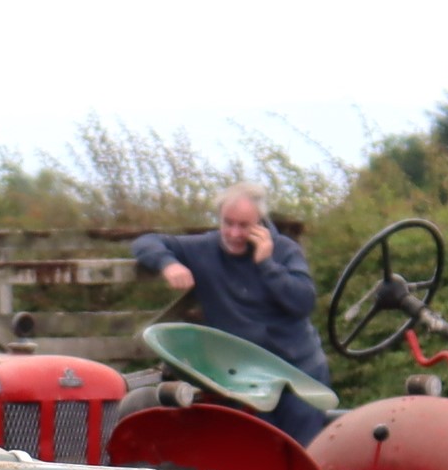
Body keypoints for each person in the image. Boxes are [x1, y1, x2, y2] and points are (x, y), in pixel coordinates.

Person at [133, 187, 328, 441]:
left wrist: (267, 265)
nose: (235, 233)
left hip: (297, 370)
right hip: (243, 377)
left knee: (306, 451)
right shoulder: (204, 248)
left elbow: (303, 302)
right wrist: (168, 264)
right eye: (228, 223)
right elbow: (146, 242)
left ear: (260, 223)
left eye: (244, 225)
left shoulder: (284, 249)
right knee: (254, 450)